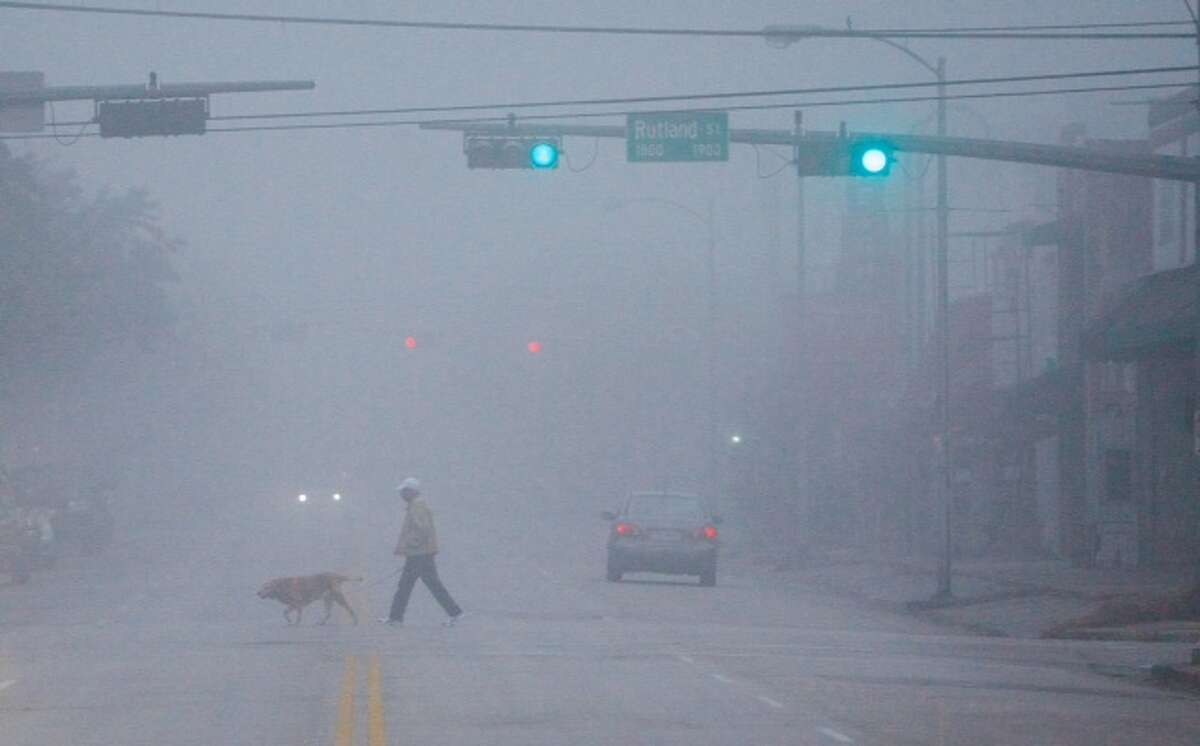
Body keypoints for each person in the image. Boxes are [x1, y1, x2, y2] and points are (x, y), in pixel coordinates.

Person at [383, 478, 463, 626]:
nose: (401, 494)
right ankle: (395, 617)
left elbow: (424, 529)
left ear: (411, 491)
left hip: (419, 554)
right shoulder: (415, 505)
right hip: (420, 553)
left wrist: (412, 543)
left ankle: (454, 613)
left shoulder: (417, 506)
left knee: (417, 585)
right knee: (412, 585)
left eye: (404, 491)